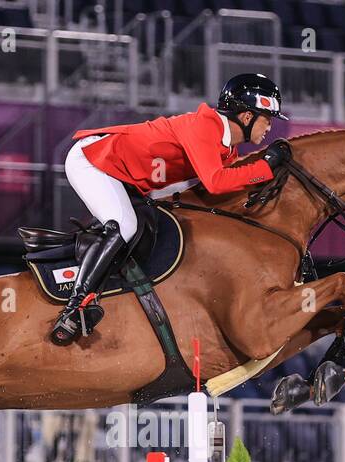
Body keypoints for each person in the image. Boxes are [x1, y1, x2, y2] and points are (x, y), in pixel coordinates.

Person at [50, 72, 293, 346]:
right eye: (267, 118)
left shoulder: (228, 149)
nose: (270, 126)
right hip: (93, 160)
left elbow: (227, 188)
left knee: (149, 231)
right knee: (125, 225)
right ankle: (74, 308)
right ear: (247, 117)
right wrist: (265, 168)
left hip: (123, 176)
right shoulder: (205, 127)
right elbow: (215, 183)